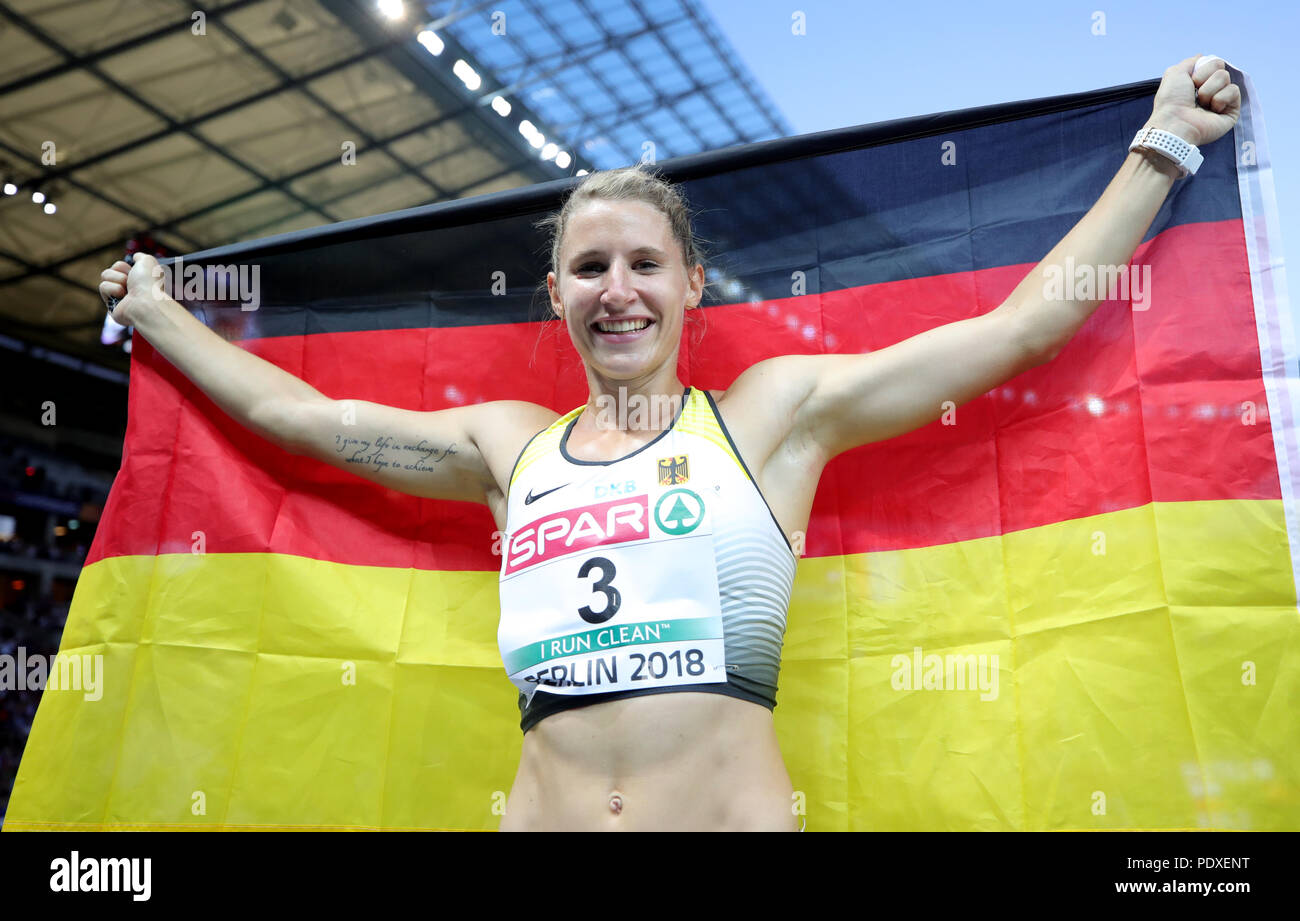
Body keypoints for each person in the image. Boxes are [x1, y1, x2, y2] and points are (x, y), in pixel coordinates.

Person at [98, 54, 1239, 831]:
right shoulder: (509, 450)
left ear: (691, 282)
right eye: (589, 269)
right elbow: (303, 420)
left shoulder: (770, 418)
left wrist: (1165, 145)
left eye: (644, 263)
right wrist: (156, 317)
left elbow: (1018, 330)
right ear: (555, 295)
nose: (618, 290)